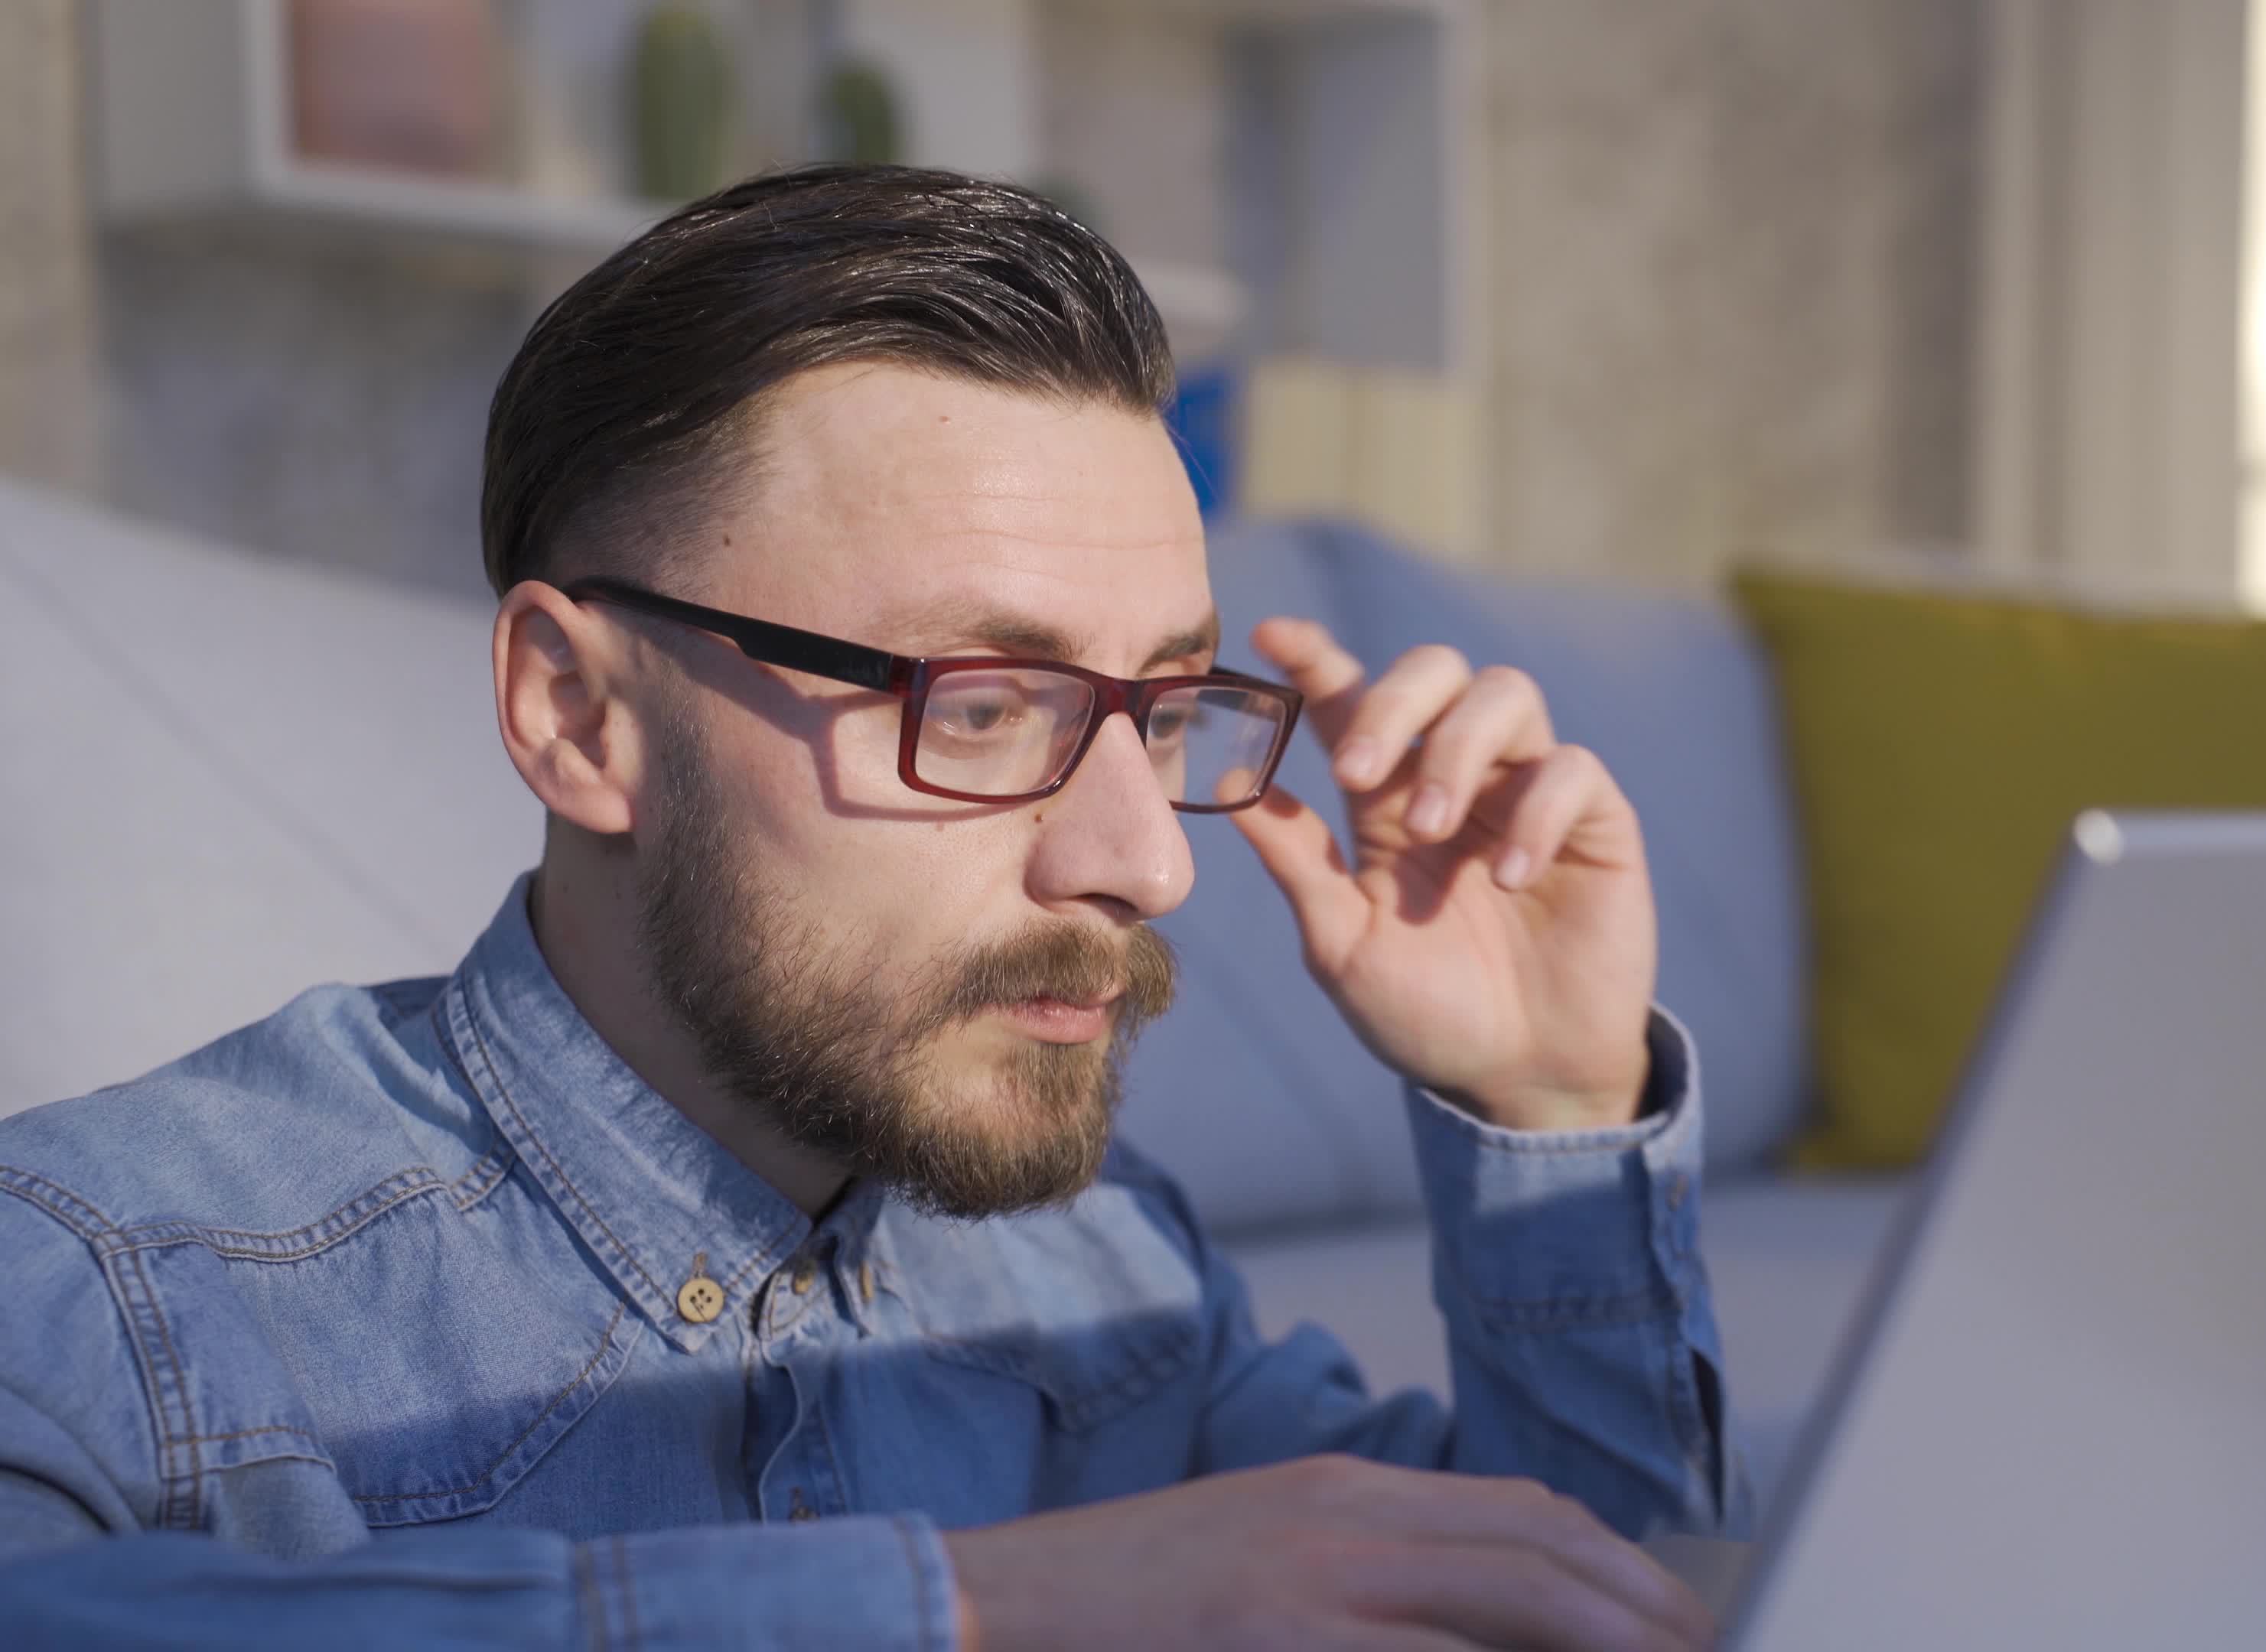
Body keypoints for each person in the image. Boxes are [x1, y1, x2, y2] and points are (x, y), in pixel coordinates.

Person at [0, 165, 1737, 1651]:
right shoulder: (107, 1289)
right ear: (577, 716)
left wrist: (1554, 1107)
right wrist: (981, 1608)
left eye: (1159, 709)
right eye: (983, 707)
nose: (1145, 862)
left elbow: (1571, 1603)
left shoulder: (1107, 1278)